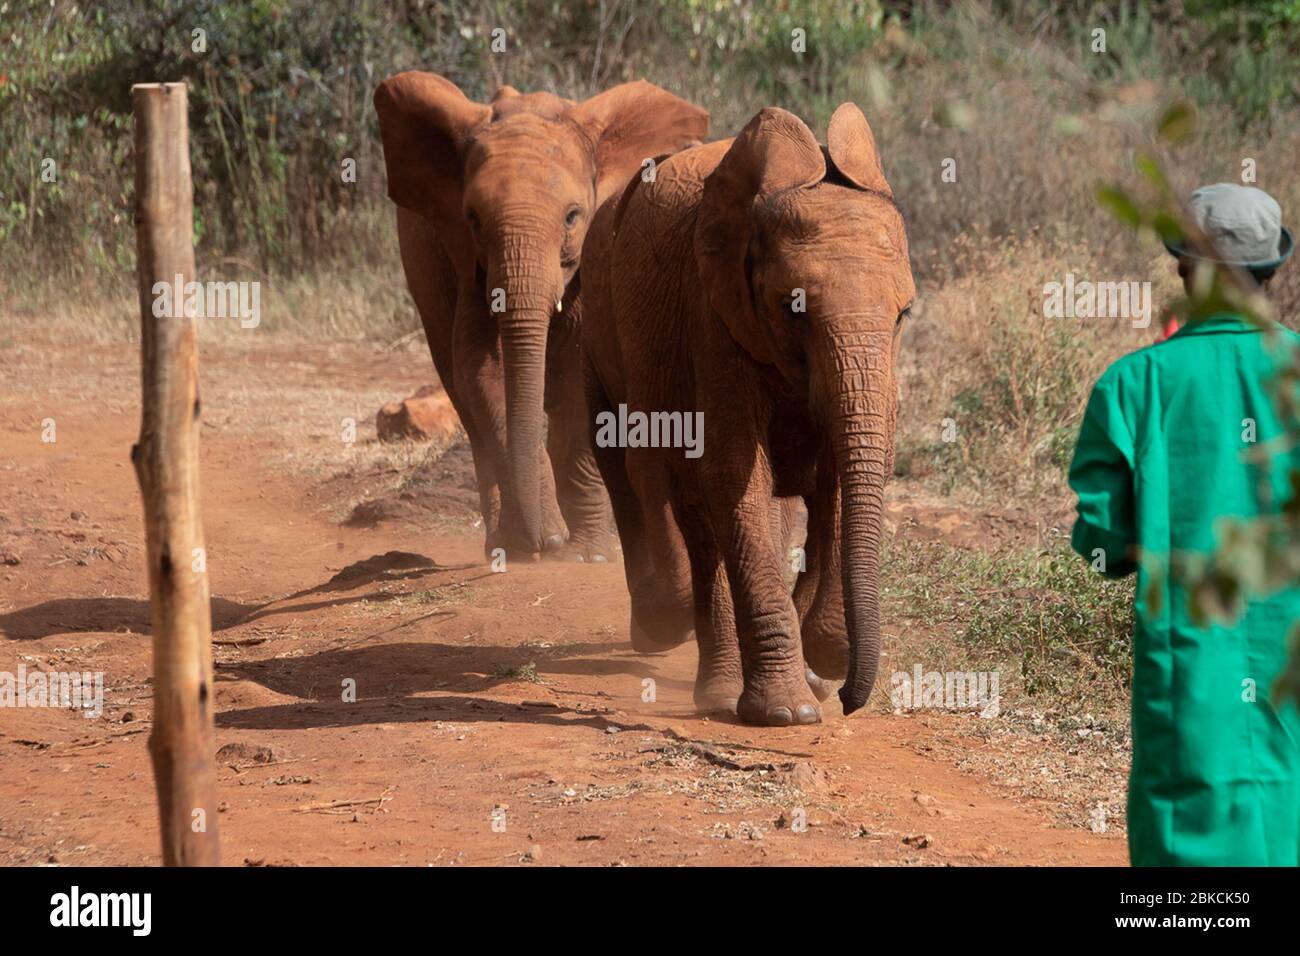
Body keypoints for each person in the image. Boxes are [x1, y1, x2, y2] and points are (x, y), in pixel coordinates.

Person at [1069, 183, 1299, 866]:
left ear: (1184, 271)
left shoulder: (1134, 384)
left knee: (1188, 836)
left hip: (1190, 662)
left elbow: (1103, 544)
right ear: (1271, 271)